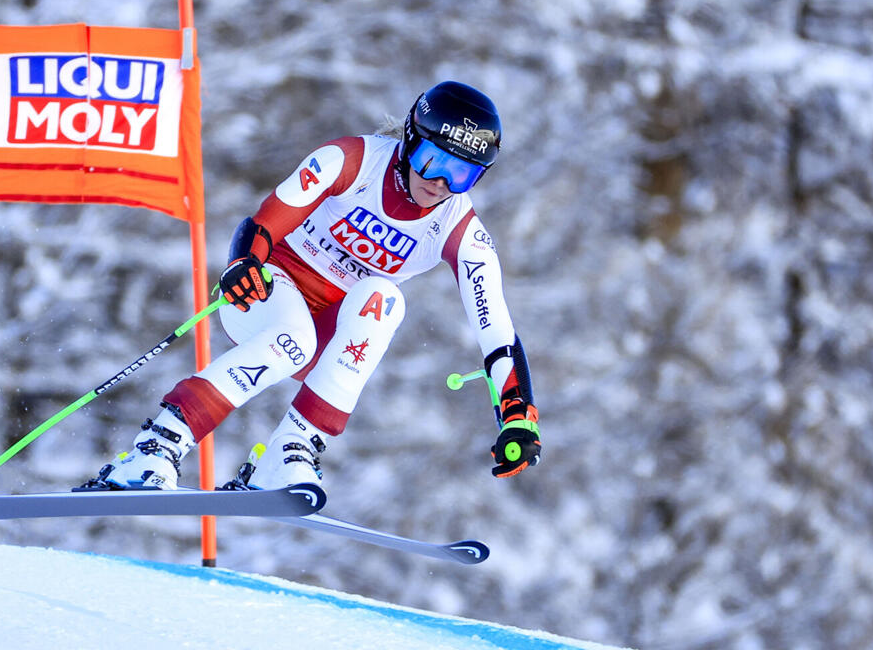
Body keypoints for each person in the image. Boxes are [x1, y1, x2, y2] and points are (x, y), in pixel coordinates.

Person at [80, 80, 541, 492]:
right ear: (408, 140)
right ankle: (155, 448)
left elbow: (496, 330)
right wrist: (243, 264)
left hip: (330, 331)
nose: (440, 182)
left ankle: (290, 451)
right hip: (264, 290)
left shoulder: (460, 229)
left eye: (462, 174)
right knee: (293, 339)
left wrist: (517, 415)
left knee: (384, 300)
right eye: (432, 160)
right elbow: (262, 224)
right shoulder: (351, 161)